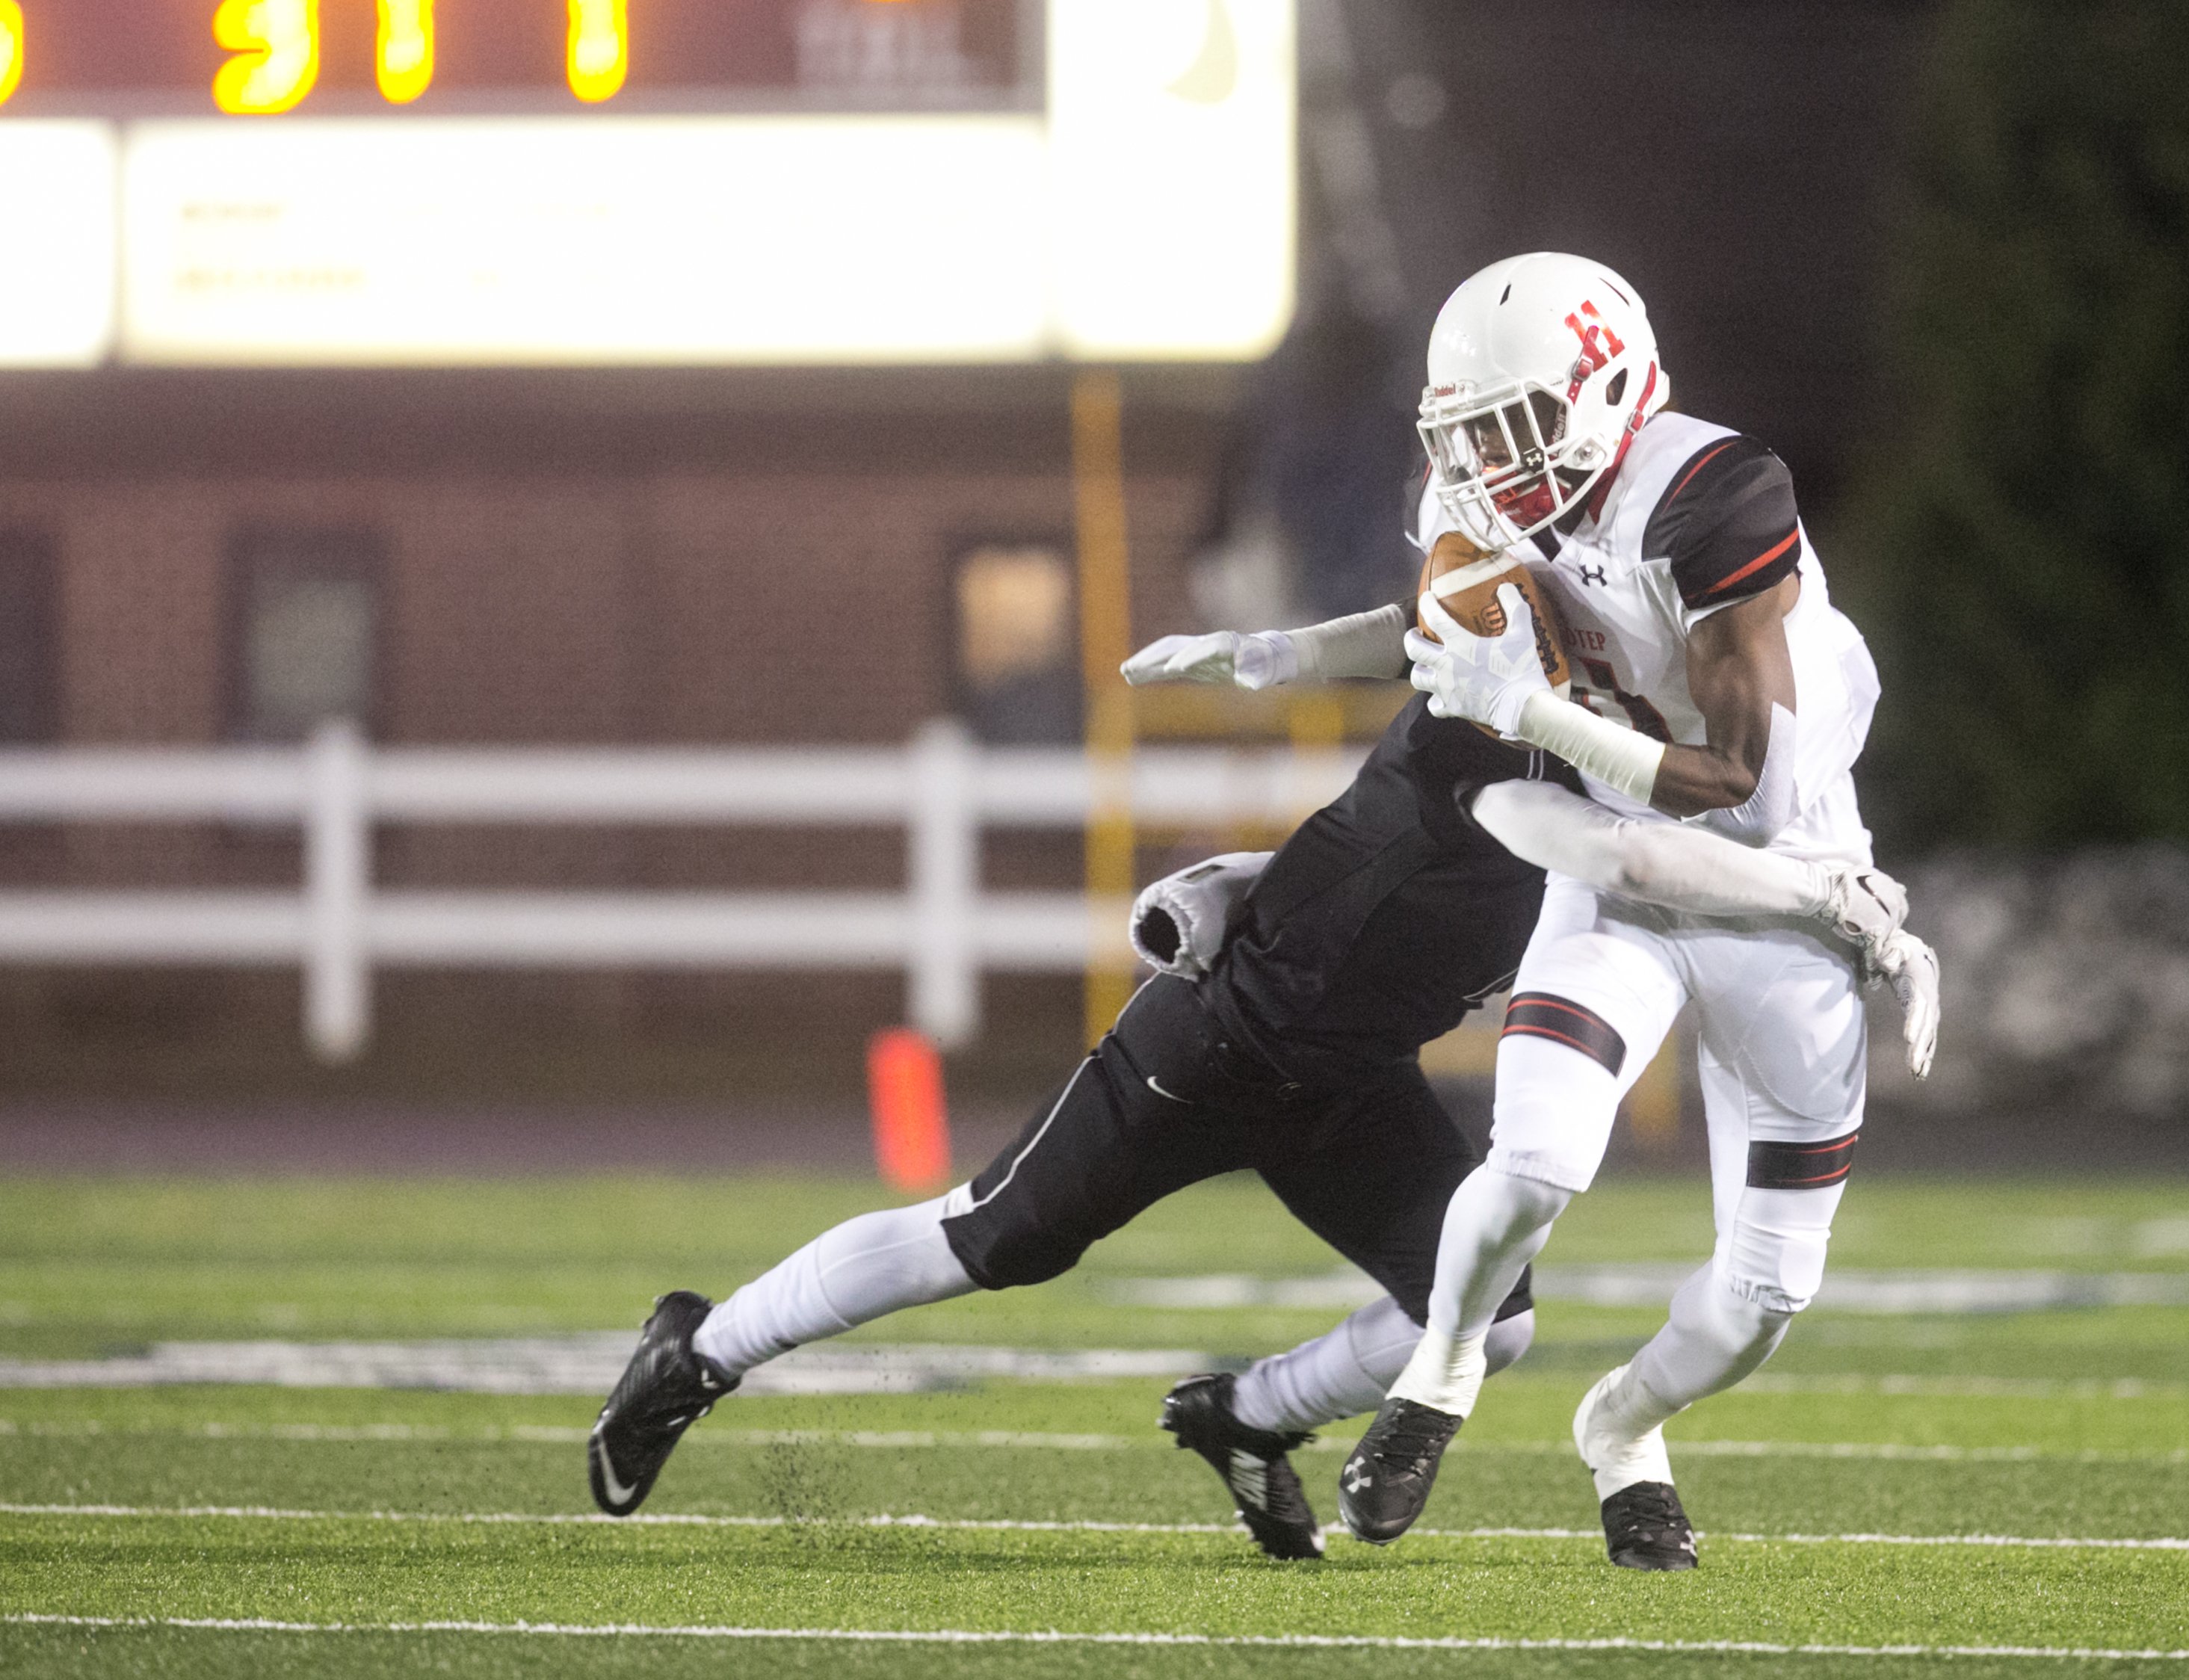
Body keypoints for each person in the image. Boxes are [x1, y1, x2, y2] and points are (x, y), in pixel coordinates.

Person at [585, 605, 1920, 1563]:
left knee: (1487, 1319)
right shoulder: (1496, 757)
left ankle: (1244, 1416)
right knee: (991, 1238)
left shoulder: (1550, 717)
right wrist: (1834, 899)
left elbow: (1399, 703)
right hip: (1220, 1047)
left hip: (1346, 1073)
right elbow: (1618, 860)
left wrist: (1274, 675)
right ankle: (694, 1353)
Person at [1297, 250, 1921, 1572]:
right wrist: (1284, 656)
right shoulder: (1486, 499)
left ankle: (1624, 1427)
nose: (1490, 468)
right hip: (1619, 867)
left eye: (1514, 430)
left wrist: (1525, 710)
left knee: (1763, 1298)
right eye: (1467, 436)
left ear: (1607, 390)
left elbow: (1730, 778)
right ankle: (1440, 1378)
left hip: (1783, 881)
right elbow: (1443, 627)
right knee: (1535, 1160)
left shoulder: (1714, 496)